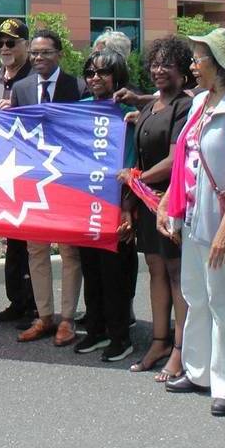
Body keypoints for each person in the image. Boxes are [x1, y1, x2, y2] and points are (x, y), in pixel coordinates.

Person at [158, 28, 225, 417]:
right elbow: (184, 158)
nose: (192, 65)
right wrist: (169, 203)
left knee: (224, 302)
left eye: (198, 59)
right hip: (192, 218)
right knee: (195, 296)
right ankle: (198, 372)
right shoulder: (201, 101)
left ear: (218, 65)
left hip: (220, 221)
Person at [3, 29, 86, 346]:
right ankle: (44, 316)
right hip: (32, 181)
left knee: (69, 251)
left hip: (67, 182)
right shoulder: (21, 89)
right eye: (35, 53)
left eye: (45, 53)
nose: (39, 58)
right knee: (35, 250)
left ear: (59, 54)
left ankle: (67, 319)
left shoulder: (76, 86)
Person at [127, 35, 195, 381]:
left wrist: (135, 178)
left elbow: (175, 159)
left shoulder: (185, 106)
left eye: (167, 64)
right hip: (146, 201)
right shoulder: (149, 107)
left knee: (176, 273)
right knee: (155, 270)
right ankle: (158, 340)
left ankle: (181, 350)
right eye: (155, 63)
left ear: (183, 72)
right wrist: (135, 189)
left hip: (172, 200)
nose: (159, 70)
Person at [75, 47, 138, 361]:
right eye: (90, 73)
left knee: (116, 273)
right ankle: (96, 331)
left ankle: (120, 336)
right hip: (86, 202)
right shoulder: (80, 109)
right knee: (92, 270)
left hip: (118, 201)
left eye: (102, 72)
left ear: (117, 76)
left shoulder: (128, 109)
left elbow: (133, 160)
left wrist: (127, 206)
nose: (95, 78)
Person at [0, 18, 38, 326]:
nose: (4, 48)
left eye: (11, 42)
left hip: (30, 168)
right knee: (11, 238)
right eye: (0, 43)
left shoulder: (34, 80)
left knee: (31, 241)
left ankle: (35, 303)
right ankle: (16, 300)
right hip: (1, 169)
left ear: (26, 46)